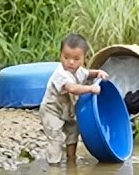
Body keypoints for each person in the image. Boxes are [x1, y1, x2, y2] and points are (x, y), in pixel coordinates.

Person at [39, 34, 108, 164]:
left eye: (76, 59)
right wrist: (91, 88)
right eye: (66, 57)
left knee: (73, 132)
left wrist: (98, 73)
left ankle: (71, 159)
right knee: (55, 138)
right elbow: (72, 88)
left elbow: (88, 73)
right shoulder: (60, 74)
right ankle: (54, 165)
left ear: (84, 58)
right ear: (60, 55)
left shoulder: (79, 71)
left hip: (69, 111)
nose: (70, 62)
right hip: (52, 111)